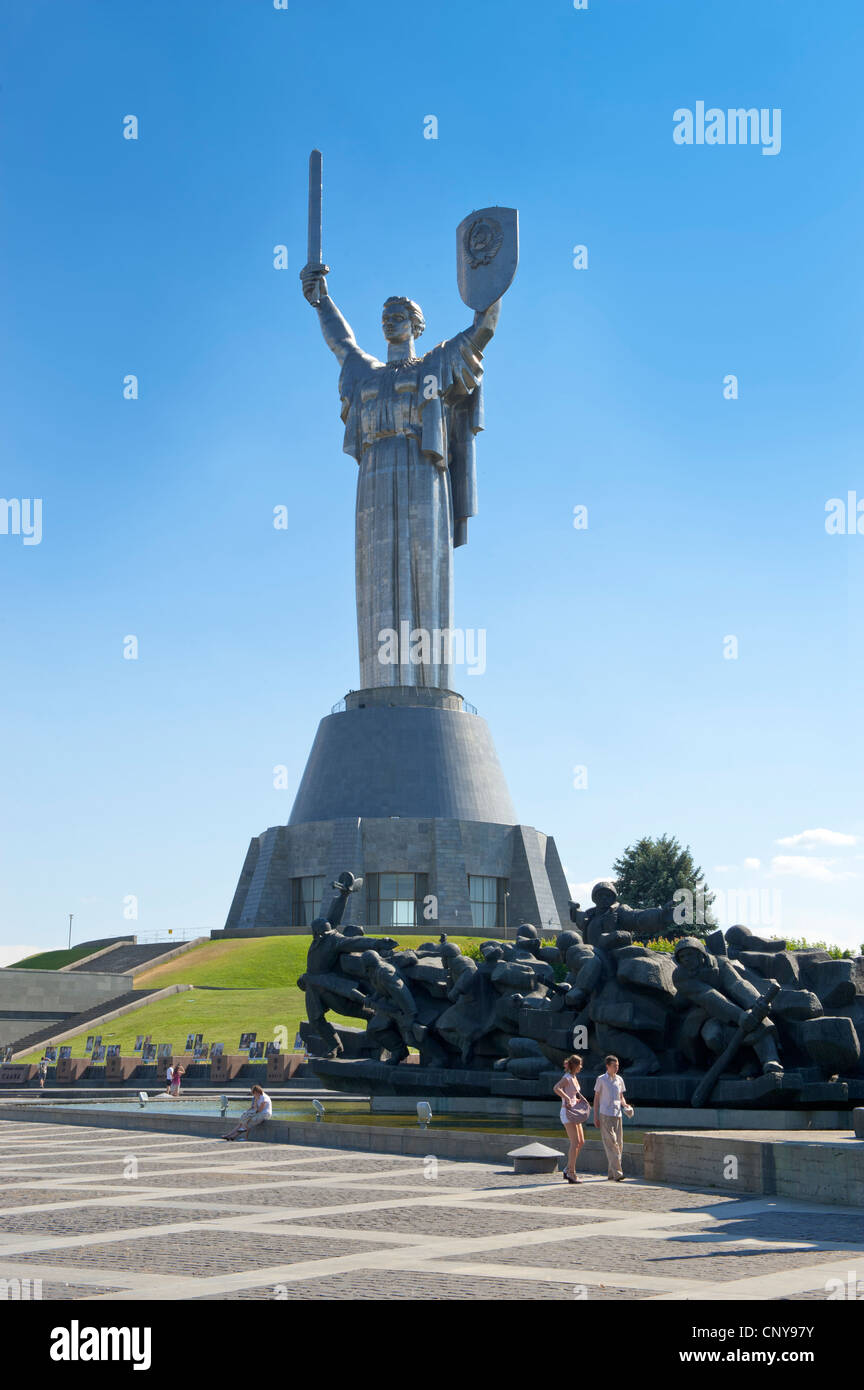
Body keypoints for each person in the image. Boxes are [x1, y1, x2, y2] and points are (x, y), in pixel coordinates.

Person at [593, 1054, 634, 1182]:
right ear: (608, 1066)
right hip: (605, 1114)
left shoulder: (619, 1079)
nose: (616, 1068)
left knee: (619, 1145)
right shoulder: (601, 1079)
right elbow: (596, 1098)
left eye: (617, 1066)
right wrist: (595, 1116)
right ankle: (618, 1173)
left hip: (618, 1114)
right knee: (611, 1144)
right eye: (614, 1066)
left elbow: (621, 1096)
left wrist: (626, 1105)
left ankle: (611, 1173)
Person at [553, 1054, 588, 1183]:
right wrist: (567, 1098)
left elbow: (572, 1094)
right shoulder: (567, 1078)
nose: (581, 1067)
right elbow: (556, 1088)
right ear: (575, 1065)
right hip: (567, 1112)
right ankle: (571, 1173)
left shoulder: (573, 1077)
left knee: (581, 1141)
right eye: (580, 1065)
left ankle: (568, 1168)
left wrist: (576, 1100)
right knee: (575, 1142)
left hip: (574, 1111)